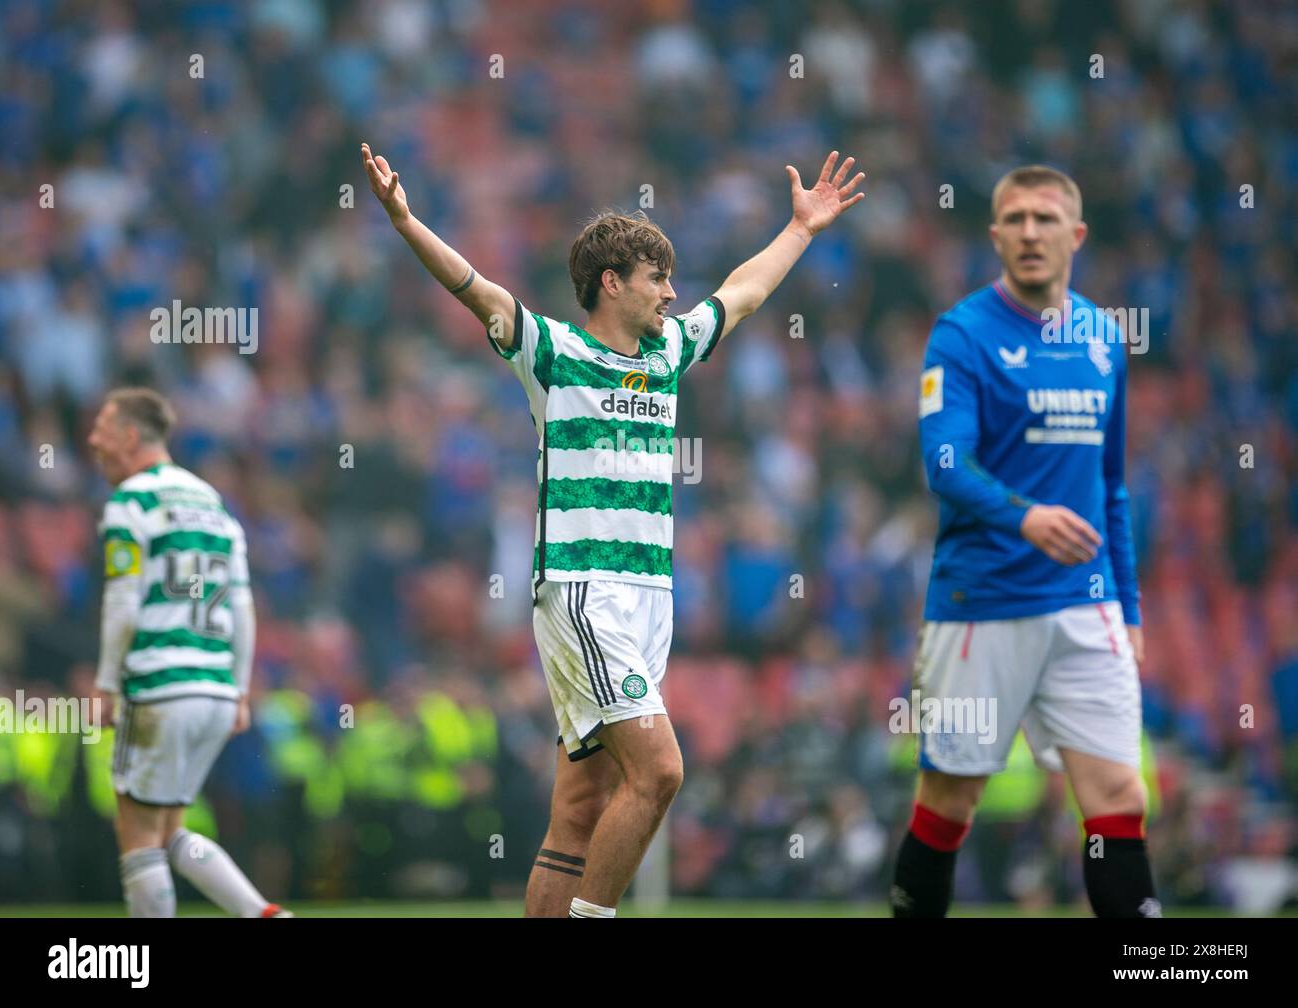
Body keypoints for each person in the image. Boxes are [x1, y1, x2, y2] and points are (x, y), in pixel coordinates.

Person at [363, 141, 865, 917]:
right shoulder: (555, 354)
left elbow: (746, 292)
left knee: (581, 808)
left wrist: (800, 229)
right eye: (656, 278)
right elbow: (478, 292)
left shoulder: (666, 355)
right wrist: (405, 221)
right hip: (584, 589)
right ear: (611, 282)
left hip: (649, 595)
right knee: (661, 773)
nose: (671, 293)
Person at [891, 165, 1159, 918]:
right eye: (1015, 219)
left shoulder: (1105, 340)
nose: (1030, 232)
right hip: (982, 604)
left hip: (1087, 604)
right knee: (950, 798)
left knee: (1117, 799)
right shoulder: (964, 333)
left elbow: (1111, 488)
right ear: (996, 236)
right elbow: (944, 462)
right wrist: (1025, 517)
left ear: (1075, 235)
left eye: (1045, 219)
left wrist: (1130, 610)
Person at [90, 387, 289, 918]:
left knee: (137, 834)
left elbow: (124, 602)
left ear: (131, 436)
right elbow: (244, 605)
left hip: (160, 682)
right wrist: (242, 690)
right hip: (216, 688)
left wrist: (107, 683)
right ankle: (264, 915)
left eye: (103, 428)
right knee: (172, 827)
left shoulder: (131, 501)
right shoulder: (214, 503)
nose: (93, 440)